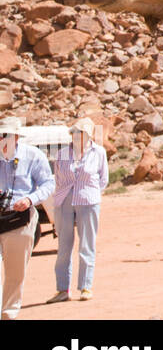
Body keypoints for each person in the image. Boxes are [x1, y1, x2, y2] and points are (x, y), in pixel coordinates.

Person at [47, 117, 108, 303]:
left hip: (88, 201)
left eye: (80, 133)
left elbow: (103, 179)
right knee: (63, 247)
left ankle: (86, 287)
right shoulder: (62, 153)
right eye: (74, 133)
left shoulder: (99, 152)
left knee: (86, 245)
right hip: (64, 201)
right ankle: (62, 289)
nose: (76, 136)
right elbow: (58, 176)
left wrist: (90, 194)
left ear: (88, 135)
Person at [0, 117, 54, 319]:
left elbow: (48, 184)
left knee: (15, 272)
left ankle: (8, 314)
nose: (2, 140)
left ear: (16, 138)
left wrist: (30, 199)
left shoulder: (33, 156)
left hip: (20, 221)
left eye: (6, 136)